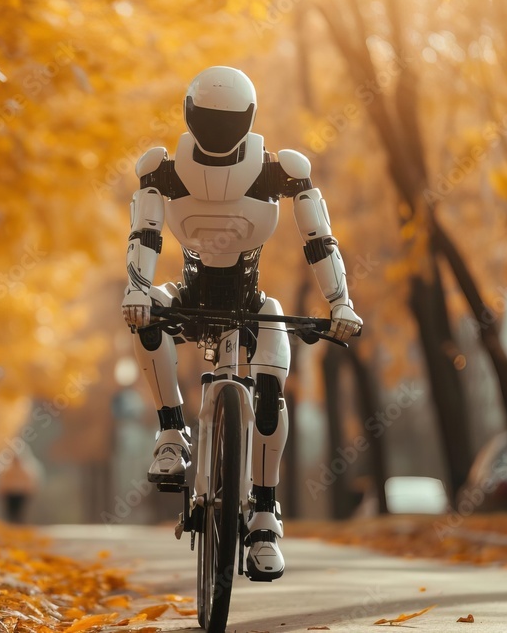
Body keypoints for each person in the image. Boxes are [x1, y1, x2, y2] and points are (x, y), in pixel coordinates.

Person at [121, 66, 362, 581]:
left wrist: (341, 302)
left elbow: (319, 238)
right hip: (187, 295)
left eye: (224, 120)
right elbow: (145, 233)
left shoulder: (281, 171)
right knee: (146, 323)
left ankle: (264, 515)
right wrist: (137, 291)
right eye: (209, 119)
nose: (216, 129)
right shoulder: (162, 168)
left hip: (251, 302)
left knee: (271, 384)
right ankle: (171, 432)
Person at [0, 450, 41, 523]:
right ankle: (12, 525)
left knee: (19, 512)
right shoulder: (8, 470)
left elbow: (29, 481)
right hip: (10, 494)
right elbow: (3, 481)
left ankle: (17, 525)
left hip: (20, 494)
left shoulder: (25, 470)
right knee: (10, 512)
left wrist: (30, 491)